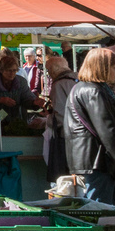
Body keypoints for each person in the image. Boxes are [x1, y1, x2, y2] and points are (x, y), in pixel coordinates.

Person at [65, 47, 115, 209]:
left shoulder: (88, 89)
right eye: (114, 67)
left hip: (98, 162)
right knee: (99, 212)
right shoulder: (93, 91)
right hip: (97, 162)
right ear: (102, 68)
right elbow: (108, 134)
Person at [0, 49, 45, 118]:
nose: (12, 73)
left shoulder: (21, 81)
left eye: (14, 70)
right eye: (9, 70)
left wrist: (34, 102)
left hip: (14, 119)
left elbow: (26, 98)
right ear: (1, 70)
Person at [42, 52, 76, 180]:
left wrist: (47, 121)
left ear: (53, 70)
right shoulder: (78, 79)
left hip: (67, 138)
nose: (48, 73)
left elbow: (60, 115)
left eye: (48, 70)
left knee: (64, 178)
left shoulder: (59, 84)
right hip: (82, 135)